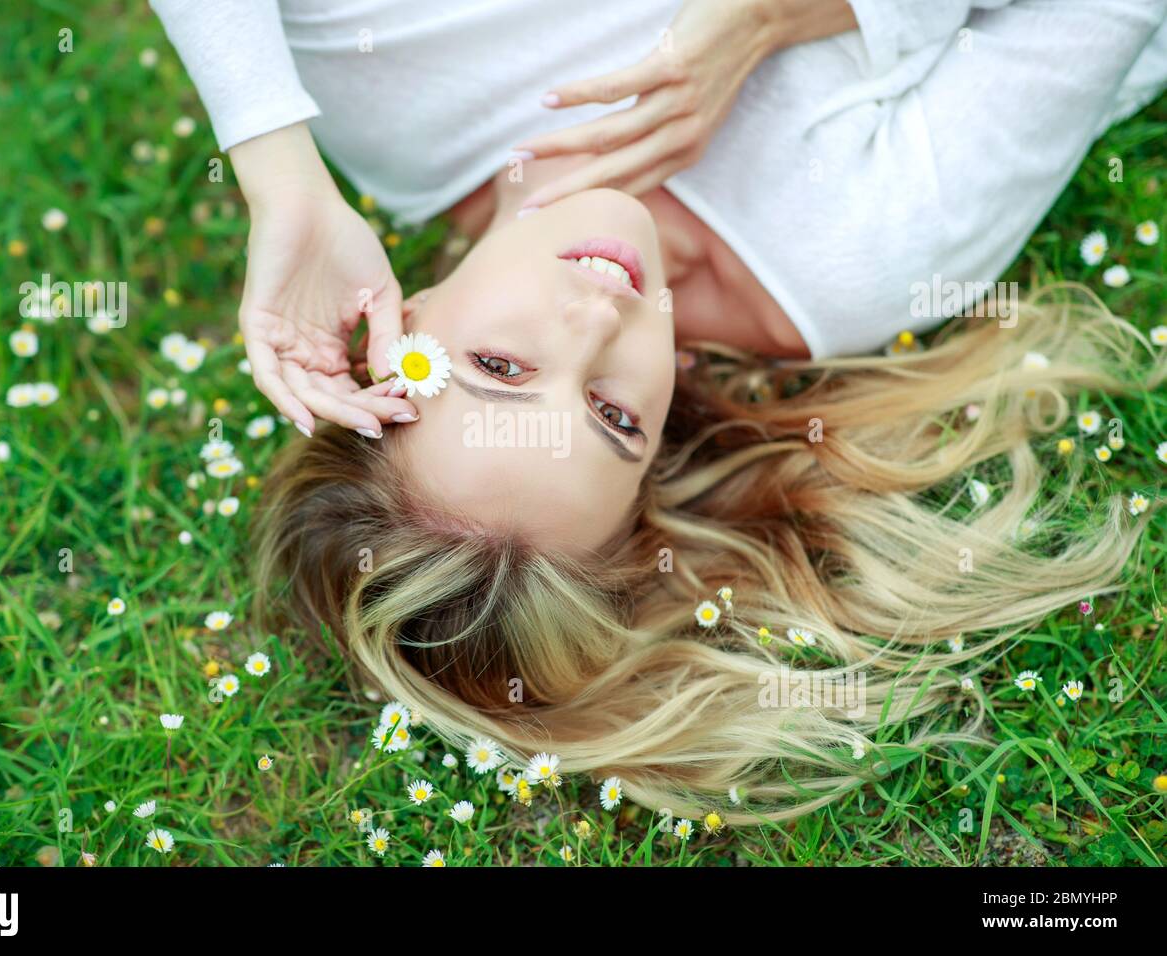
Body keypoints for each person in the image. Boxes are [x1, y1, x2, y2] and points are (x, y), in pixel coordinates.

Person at [153, 0, 1167, 818]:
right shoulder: (870, 253)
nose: (597, 316)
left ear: (404, 328)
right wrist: (780, 15)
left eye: (501, 364)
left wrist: (277, 171)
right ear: (660, 434)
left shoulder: (375, 83)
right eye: (613, 418)